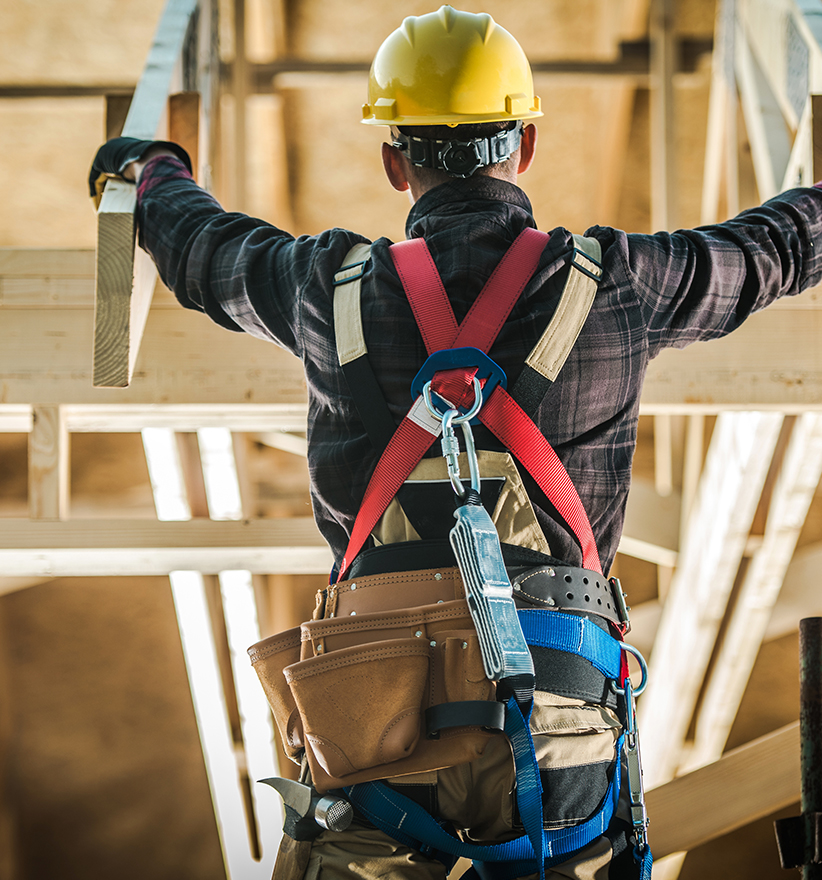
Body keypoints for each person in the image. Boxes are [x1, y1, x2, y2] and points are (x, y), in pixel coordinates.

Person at [89, 6, 822, 879]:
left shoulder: (330, 287)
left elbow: (206, 251)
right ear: (529, 143)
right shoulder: (620, 282)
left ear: (394, 160)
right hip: (558, 713)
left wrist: (150, 168)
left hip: (372, 719)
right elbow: (775, 248)